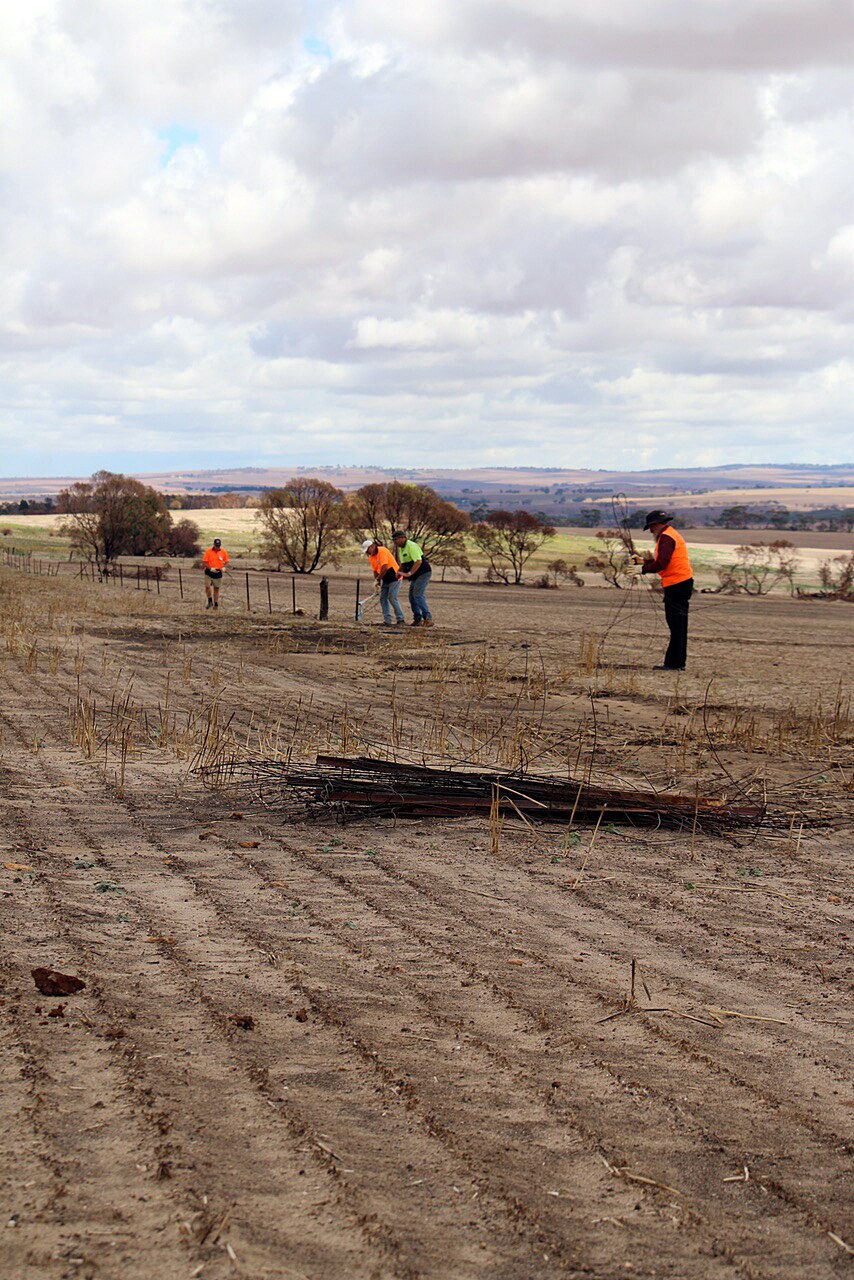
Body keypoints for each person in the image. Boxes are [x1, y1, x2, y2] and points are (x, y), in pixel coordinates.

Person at [637, 510, 693, 670]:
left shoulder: (666, 538)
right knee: (679, 626)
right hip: (681, 583)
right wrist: (642, 562)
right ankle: (678, 663)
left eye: (651, 526)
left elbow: (661, 564)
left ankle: (673, 664)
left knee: (676, 625)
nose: (650, 530)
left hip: (676, 584)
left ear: (656, 524)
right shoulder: (670, 534)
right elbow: (658, 560)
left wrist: (642, 569)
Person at [393, 530, 433, 627]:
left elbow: (418, 561)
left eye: (396, 539)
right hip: (415, 575)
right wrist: (399, 572)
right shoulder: (401, 549)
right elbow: (403, 562)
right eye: (394, 540)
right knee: (412, 596)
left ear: (403, 538)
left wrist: (410, 573)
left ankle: (428, 618)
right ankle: (417, 619)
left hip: (423, 573)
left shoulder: (411, 546)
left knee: (418, 594)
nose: (395, 542)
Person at [362, 538, 405, 625]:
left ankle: (400, 619)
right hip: (385, 578)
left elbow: (384, 567)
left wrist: (378, 579)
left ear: (372, 546)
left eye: (368, 550)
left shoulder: (382, 550)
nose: (368, 552)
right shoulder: (371, 557)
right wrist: (377, 581)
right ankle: (387, 621)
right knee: (383, 598)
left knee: (392, 597)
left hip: (395, 577)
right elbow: (375, 571)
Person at [202, 537, 229, 610]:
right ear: (213, 545)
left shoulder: (223, 551)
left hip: (218, 572)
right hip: (209, 571)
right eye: (216, 546)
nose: (217, 547)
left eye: (219, 546)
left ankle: (216, 604)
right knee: (207, 586)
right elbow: (204, 562)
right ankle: (210, 600)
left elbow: (226, 561)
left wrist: (224, 567)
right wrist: (211, 568)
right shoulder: (208, 551)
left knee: (216, 589)